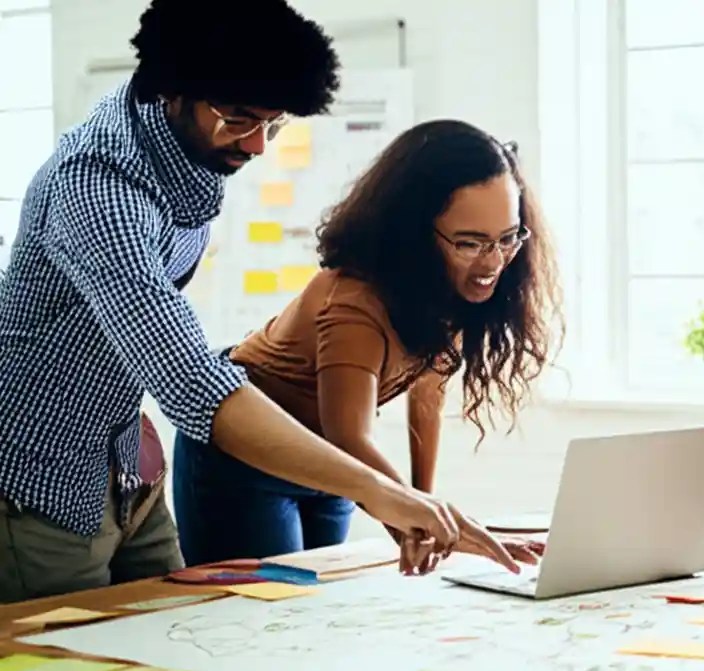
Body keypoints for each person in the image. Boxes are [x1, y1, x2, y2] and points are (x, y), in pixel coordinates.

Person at [0, 0, 516, 604]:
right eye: (239, 119)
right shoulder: (99, 188)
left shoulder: (178, 152)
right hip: (39, 481)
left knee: (182, 638)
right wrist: (384, 494)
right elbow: (191, 381)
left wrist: (407, 496)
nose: (258, 144)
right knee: (59, 660)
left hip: (124, 471)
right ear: (172, 89)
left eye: (274, 124)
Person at [171, 119, 562, 572]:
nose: (493, 262)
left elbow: (426, 392)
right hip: (247, 456)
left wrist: (422, 503)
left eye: (507, 238)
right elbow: (349, 435)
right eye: (470, 243)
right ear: (415, 234)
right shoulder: (355, 299)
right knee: (271, 597)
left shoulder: (450, 288)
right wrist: (419, 519)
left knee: (316, 598)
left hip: (335, 466)